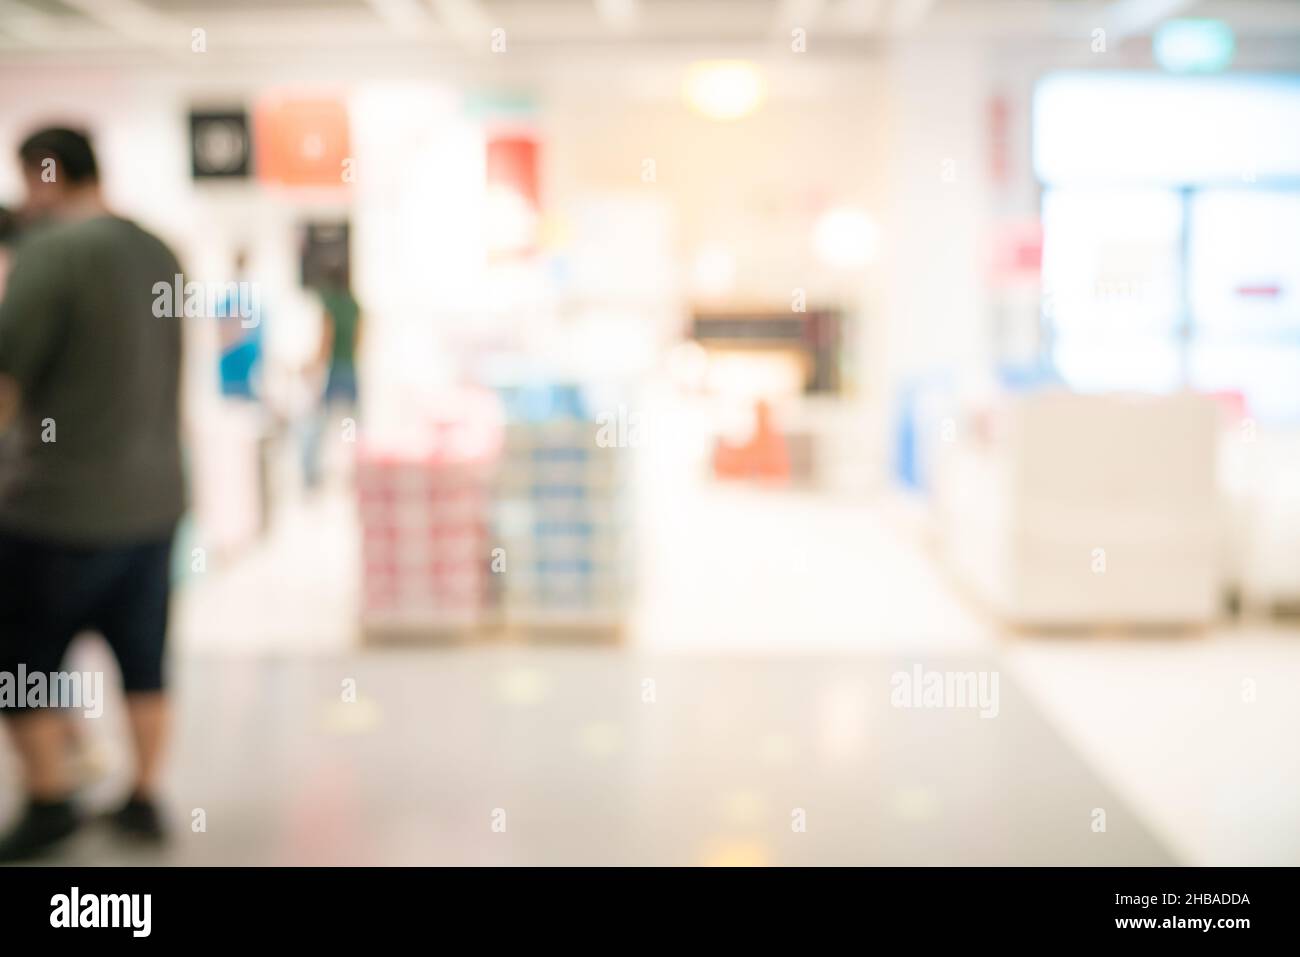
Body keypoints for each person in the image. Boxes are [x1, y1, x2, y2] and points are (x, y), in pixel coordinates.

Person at [0, 127, 185, 860]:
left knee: (22, 660)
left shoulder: (50, 255)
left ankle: (49, 799)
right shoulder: (160, 249)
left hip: (56, 508)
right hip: (156, 499)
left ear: (43, 177)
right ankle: (144, 796)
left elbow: (6, 378)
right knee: (145, 659)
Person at [301, 263, 362, 490]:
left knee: (320, 423)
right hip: (350, 369)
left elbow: (325, 340)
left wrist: (314, 366)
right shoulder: (354, 305)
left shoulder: (331, 305)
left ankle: (311, 474)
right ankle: (351, 467)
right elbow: (359, 339)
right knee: (350, 424)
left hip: (335, 371)